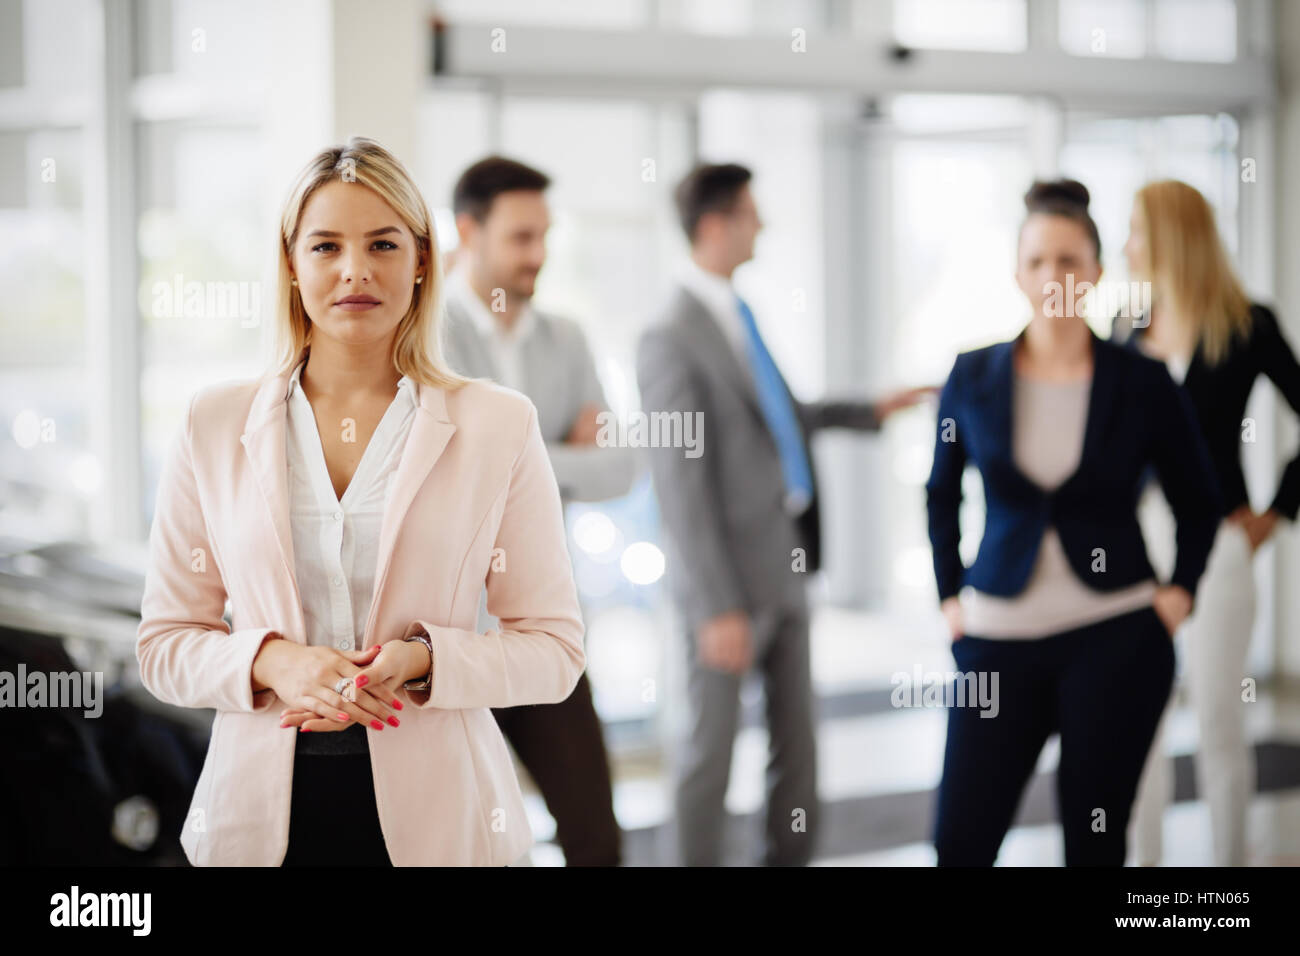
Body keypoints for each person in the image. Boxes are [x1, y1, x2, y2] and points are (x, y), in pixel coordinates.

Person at [135, 137, 585, 867]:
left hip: (442, 822)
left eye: (382, 243)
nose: (355, 271)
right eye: (325, 247)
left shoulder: (498, 424)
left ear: (421, 262)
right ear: (291, 264)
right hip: (257, 823)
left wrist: (424, 660)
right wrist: (274, 663)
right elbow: (164, 646)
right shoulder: (211, 424)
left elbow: (555, 649)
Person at [636, 162, 932, 866]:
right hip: (727, 586)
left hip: (786, 561)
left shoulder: (740, 313)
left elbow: (782, 417)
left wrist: (868, 408)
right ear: (715, 225)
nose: (761, 225)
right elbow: (680, 485)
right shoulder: (670, 335)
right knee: (708, 756)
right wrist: (717, 607)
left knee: (797, 751)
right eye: (750, 213)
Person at [925, 178, 1221, 866]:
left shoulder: (1141, 381)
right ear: (1016, 273)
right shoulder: (971, 375)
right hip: (996, 638)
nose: (1053, 276)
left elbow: (1198, 499)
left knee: (1094, 842)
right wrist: (948, 595)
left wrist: (1179, 594)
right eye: (1037, 261)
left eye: (1069, 260)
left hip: (1116, 635)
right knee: (961, 840)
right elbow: (941, 493)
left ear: (1095, 271)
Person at [441, 155, 638, 866]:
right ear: (469, 230)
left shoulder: (566, 338)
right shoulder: (428, 336)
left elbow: (623, 465)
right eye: (522, 238)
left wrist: (514, 459)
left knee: (595, 836)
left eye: (545, 236)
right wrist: (554, 450)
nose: (539, 255)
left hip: (541, 625)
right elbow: (450, 468)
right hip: (447, 635)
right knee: (475, 842)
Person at [1118, 179, 1300, 867]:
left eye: (1137, 229)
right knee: (1140, 727)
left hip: (1220, 543)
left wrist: (1276, 513)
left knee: (1221, 723)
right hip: (1137, 549)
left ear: (1171, 236)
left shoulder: (1248, 324)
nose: (1129, 244)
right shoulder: (1127, 333)